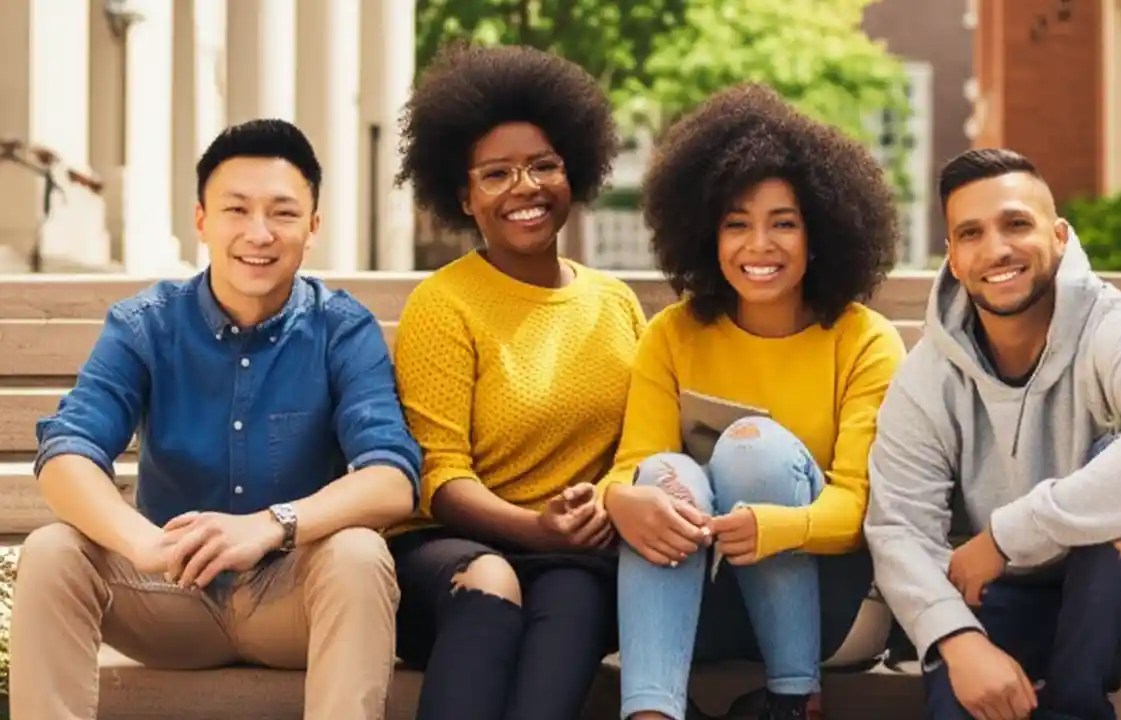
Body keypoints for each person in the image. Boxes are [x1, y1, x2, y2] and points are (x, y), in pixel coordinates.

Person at [10, 118, 423, 720]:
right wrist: (144, 545)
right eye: (236, 209)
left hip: (292, 603)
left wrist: (270, 525)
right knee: (52, 551)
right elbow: (67, 452)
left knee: (359, 554)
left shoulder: (342, 328)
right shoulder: (145, 323)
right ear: (201, 220)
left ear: (313, 226)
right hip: (168, 595)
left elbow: (392, 477)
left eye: (282, 213)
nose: (258, 233)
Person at [865, 148, 1121, 720]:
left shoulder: (1119, 327)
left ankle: (1076, 704)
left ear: (1059, 235)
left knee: (1120, 453)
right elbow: (898, 526)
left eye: (1016, 224)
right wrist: (959, 642)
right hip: (1007, 602)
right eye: (970, 233)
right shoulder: (928, 374)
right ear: (952, 257)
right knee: (957, 703)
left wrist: (1005, 536)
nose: (996, 249)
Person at [599, 84, 905, 720]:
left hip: (831, 609)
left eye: (783, 224)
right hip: (702, 600)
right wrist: (619, 498)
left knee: (753, 450)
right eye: (736, 224)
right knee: (664, 476)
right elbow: (632, 464)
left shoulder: (864, 340)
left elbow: (858, 509)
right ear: (707, 235)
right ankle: (652, 714)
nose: (758, 246)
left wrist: (774, 526)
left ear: (819, 234)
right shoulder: (673, 334)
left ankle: (794, 700)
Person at [389, 43, 646, 720]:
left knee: (576, 599)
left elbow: (644, 440)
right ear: (463, 195)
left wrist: (607, 501)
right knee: (495, 586)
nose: (525, 188)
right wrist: (535, 528)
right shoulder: (445, 304)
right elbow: (439, 479)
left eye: (543, 166)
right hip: (450, 558)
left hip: (575, 561)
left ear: (575, 171)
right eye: (496, 174)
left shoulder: (616, 303)